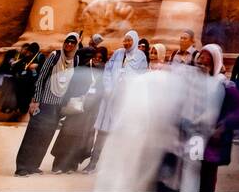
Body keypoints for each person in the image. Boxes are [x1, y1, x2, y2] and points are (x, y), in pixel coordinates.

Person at [15, 33, 79, 176]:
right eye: (67, 41)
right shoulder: (55, 56)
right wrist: (36, 100)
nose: (69, 45)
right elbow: (42, 77)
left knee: (46, 136)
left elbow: (72, 83)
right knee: (33, 135)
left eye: (72, 43)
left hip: (58, 106)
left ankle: (34, 165)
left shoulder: (76, 59)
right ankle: (22, 167)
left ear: (76, 45)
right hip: (44, 103)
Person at [86, 30, 147, 172]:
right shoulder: (119, 53)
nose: (126, 43)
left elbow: (141, 76)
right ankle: (92, 163)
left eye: (129, 40)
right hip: (110, 99)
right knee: (102, 132)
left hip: (124, 101)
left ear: (135, 41)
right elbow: (108, 70)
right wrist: (108, 87)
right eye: (125, 40)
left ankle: (112, 167)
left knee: (119, 134)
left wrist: (127, 80)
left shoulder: (141, 56)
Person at [196, 44, 239, 192]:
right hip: (194, 137)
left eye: (205, 57)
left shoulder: (224, 85)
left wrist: (223, 126)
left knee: (207, 178)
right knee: (192, 174)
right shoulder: (195, 84)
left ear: (214, 61)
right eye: (200, 56)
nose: (201, 60)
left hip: (211, 140)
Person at [51, 44, 106, 173]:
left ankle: (72, 164)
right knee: (67, 133)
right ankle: (58, 164)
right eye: (96, 57)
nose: (98, 59)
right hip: (76, 105)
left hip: (90, 110)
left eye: (101, 58)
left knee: (80, 137)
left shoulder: (103, 72)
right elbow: (71, 87)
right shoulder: (82, 68)